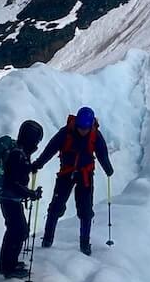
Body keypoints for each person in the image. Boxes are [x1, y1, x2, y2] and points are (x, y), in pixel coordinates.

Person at [34, 105, 113, 255]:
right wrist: (39, 163)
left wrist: (108, 168)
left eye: (85, 128)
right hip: (66, 173)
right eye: (80, 127)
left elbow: (102, 153)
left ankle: (85, 243)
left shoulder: (95, 135)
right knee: (55, 207)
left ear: (90, 125)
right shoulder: (66, 133)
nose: (82, 130)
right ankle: (47, 239)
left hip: (85, 175)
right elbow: (51, 148)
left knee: (85, 210)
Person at [0, 120, 44, 279]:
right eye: (37, 140)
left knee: (17, 230)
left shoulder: (19, 153)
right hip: (10, 199)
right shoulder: (19, 155)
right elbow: (14, 182)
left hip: (9, 199)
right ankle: (8, 267)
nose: (37, 144)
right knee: (18, 231)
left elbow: (15, 177)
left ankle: (9, 264)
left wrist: (28, 192)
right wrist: (30, 194)